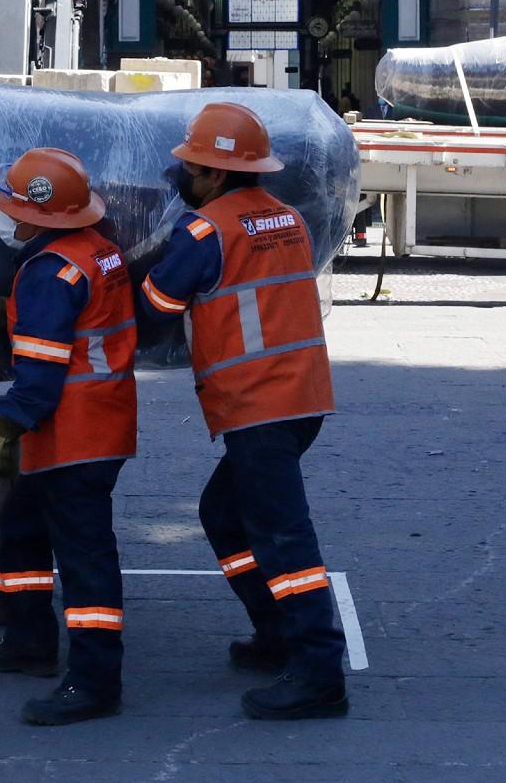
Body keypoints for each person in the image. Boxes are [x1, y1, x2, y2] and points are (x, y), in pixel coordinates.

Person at [136, 103, 349, 720]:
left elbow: (156, 306)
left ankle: (318, 672)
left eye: (192, 168)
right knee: (224, 515)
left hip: (257, 404)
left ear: (217, 174)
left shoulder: (204, 232)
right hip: (299, 397)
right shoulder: (288, 221)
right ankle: (276, 632)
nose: (183, 175)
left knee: (284, 540)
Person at [0, 147, 137, 726]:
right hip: (101, 421)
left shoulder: (46, 272)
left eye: (12, 207)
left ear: (40, 216)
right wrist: (12, 311)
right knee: (22, 532)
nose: (5, 217)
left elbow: (40, 372)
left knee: (84, 558)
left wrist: (6, 421)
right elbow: (84, 325)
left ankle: (94, 682)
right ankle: (29, 641)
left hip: (70, 434)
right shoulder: (99, 252)